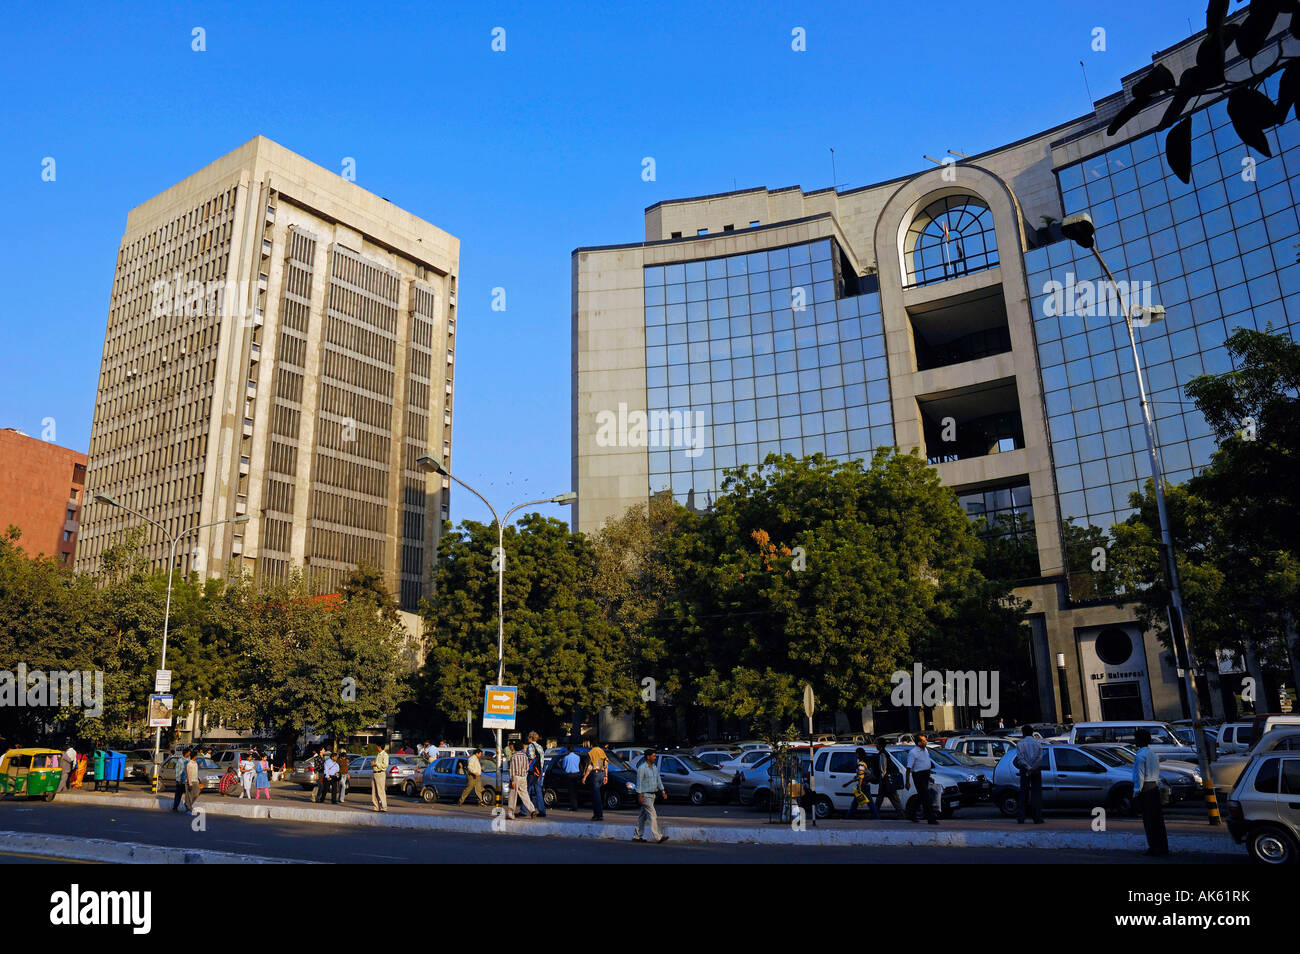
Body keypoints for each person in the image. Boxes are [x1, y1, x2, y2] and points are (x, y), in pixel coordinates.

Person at [1133, 728, 1169, 857]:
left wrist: (1136, 792)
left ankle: (1153, 847)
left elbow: (1139, 776)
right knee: (1158, 820)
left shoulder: (1140, 755)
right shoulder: (1153, 754)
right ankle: (1163, 846)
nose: (1134, 740)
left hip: (1146, 788)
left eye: (1136, 738)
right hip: (1154, 786)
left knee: (1148, 820)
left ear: (1139, 740)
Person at [633, 749, 669, 843]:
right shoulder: (642, 768)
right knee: (652, 815)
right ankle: (658, 837)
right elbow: (639, 783)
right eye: (653, 756)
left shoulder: (654, 767)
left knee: (642, 816)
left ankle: (637, 836)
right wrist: (639, 795)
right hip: (645, 795)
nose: (655, 758)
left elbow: (658, 780)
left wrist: (663, 791)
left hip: (653, 795)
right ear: (648, 757)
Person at [1014, 725, 1045, 824]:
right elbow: (1040, 758)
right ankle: (1037, 817)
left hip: (1025, 770)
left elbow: (1020, 758)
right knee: (1036, 794)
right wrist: (1033, 768)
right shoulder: (1038, 744)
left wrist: (1028, 768)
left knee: (1023, 793)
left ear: (1023, 733)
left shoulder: (1020, 744)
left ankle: (1021, 817)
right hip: (1036, 770)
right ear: (1032, 733)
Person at [904, 735, 938, 825]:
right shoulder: (913, 752)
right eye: (923, 741)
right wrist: (907, 782)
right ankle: (931, 818)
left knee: (921, 796)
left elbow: (925, 763)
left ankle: (911, 813)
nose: (926, 742)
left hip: (925, 774)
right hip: (918, 776)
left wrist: (929, 776)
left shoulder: (925, 750)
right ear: (919, 743)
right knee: (926, 797)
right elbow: (908, 768)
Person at [844, 747, 880, 820]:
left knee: (868, 804)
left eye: (856, 753)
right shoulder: (865, 761)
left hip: (863, 786)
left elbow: (864, 774)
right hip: (864, 785)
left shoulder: (861, 763)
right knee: (857, 804)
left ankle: (848, 818)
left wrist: (852, 783)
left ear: (859, 754)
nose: (856, 755)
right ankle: (848, 817)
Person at [507, 742, 539, 819]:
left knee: (513, 796)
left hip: (516, 777)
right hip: (523, 777)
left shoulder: (513, 757)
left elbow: (512, 769)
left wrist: (512, 780)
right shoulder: (525, 756)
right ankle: (532, 810)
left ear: (514, 748)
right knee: (525, 794)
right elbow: (527, 768)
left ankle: (511, 814)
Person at [872, 740, 904, 817]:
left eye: (877, 744)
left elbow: (883, 769)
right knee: (883, 798)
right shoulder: (884, 753)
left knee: (891, 798)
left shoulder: (883, 754)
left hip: (886, 781)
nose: (876, 745)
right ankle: (875, 814)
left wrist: (882, 779)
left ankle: (901, 815)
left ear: (880, 745)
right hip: (886, 781)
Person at [584, 740, 609, 821]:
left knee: (595, 796)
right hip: (602, 774)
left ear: (591, 745)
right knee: (598, 795)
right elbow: (605, 765)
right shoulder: (602, 751)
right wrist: (606, 776)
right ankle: (598, 814)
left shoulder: (591, 752)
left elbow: (590, 766)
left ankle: (598, 815)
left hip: (595, 774)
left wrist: (585, 777)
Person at [525, 731, 547, 818]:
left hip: (533, 771)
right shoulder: (540, 746)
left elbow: (531, 757)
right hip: (539, 770)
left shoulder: (530, 746)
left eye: (528, 737)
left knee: (526, 790)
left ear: (531, 738)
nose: (527, 738)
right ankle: (541, 810)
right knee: (537, 790)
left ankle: (524, 810)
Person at [561, 746, 582, 811]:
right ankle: (577, 805)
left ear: (568, 750)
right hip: (576, 774)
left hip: (569, 775)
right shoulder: (578, 757)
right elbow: (579, 765)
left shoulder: (566, 757)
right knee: (576, 790)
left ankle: (574, 806)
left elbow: (563, 766)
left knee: (571, 791)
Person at [371, 743, 389, 812]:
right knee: (374, 792)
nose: (376, 747)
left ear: (379, 747)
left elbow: (385, 765)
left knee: (381, 791)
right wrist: (374, 765)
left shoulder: (385, 755)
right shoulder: (378, 754)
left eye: (377, 746)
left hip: (380, 774)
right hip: (375, 773)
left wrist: (376, 764)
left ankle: (383, 807)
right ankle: (376, 807)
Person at [183, 748, 201, 815]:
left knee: (196, 794)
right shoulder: (189, 764)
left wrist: (198, 781)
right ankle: (189, 808)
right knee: (189, 796)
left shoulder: (196, 763)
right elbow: (188, 774)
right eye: (196, 755)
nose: (197, 756)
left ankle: (187, 804)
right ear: (194, 756)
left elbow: (196, 773)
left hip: (195, 781)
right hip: (190, 782)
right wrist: (190, 783)